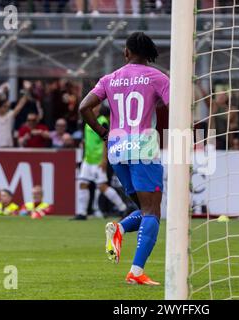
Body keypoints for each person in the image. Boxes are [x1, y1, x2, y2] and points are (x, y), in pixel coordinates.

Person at [79, 32, 169, 285]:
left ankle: (119, 229)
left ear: (127, 53)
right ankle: (136, 272)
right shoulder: (157, 77)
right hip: (143, 148)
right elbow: (176, 107)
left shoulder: (110, 78)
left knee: (145, 207)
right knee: (152, 210)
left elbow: (83, 107)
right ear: (149, 53)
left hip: (117, 149)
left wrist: (103, 133)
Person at [72, 104, 127, 220]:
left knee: (102, 186)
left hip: (98, 160)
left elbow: (105, 140)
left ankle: (123, 209)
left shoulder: (102, 121)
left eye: (95, 107)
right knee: (83, 184)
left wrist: (104, 160)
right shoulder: (87, 121)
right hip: (88, 159)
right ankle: (82, 213)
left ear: (98, 108)